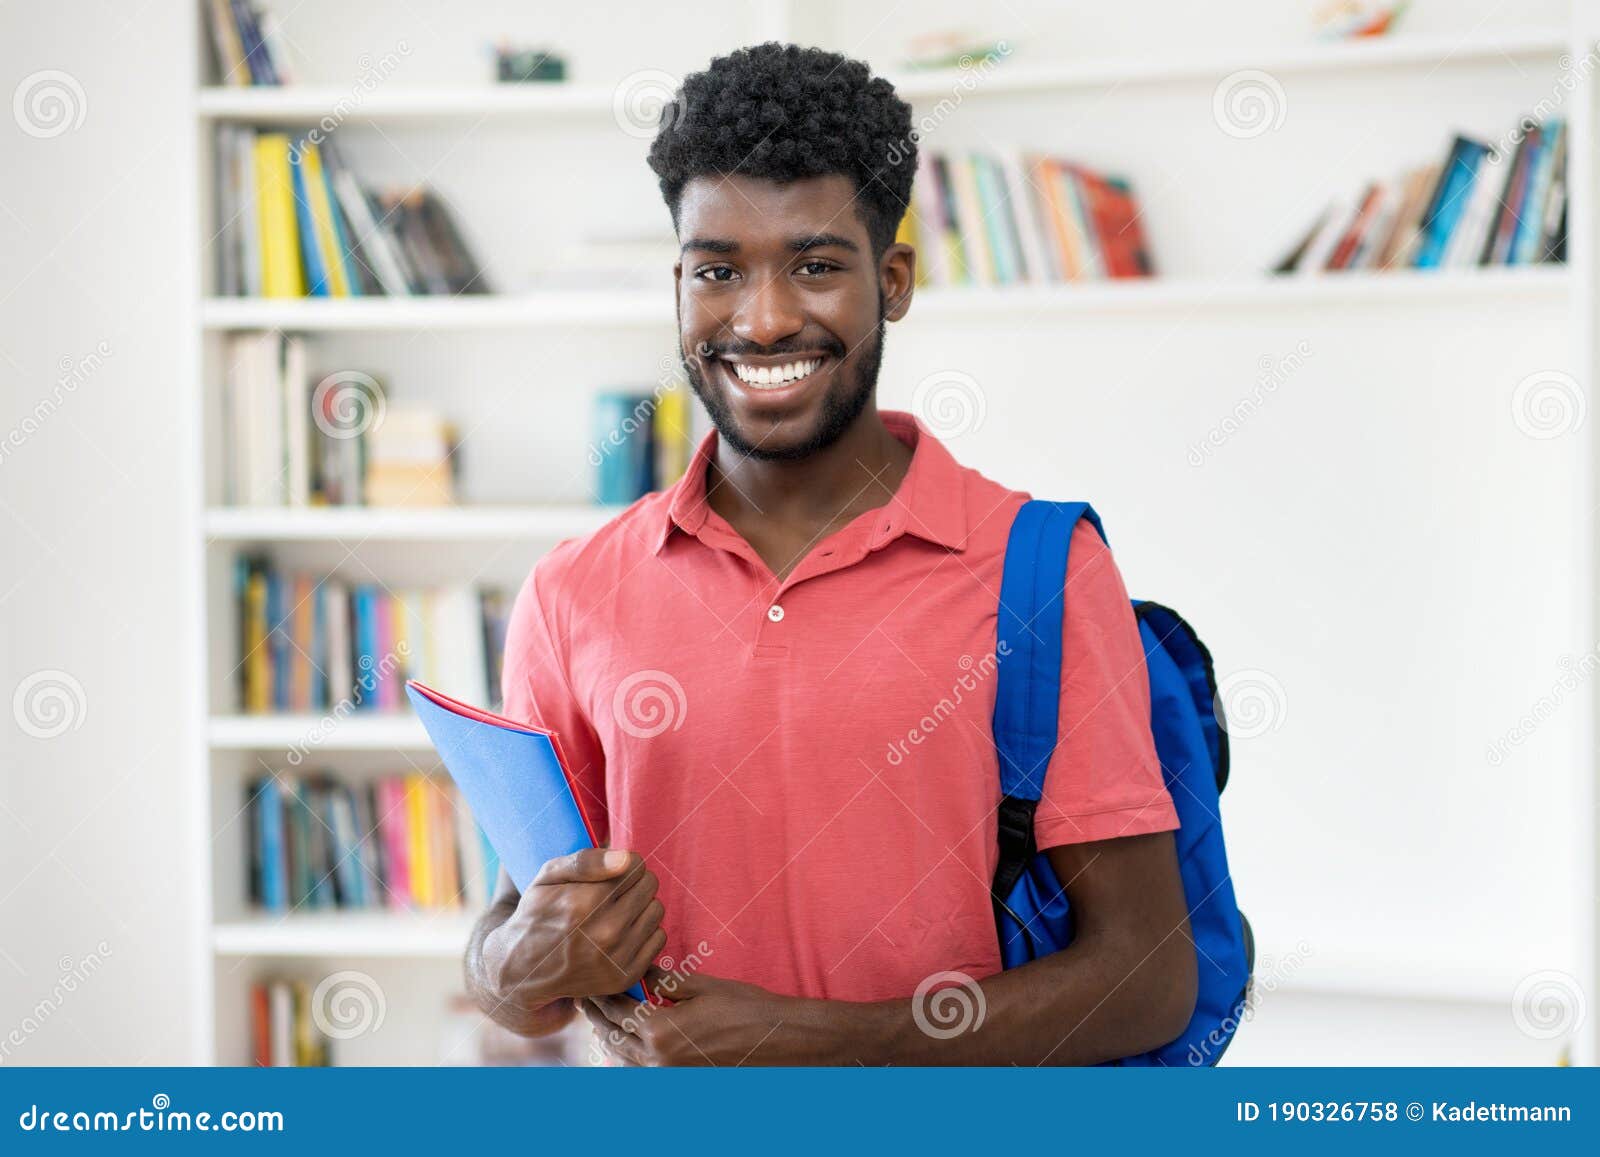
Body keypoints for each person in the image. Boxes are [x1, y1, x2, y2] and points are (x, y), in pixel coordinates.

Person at [464, 42, 1195, 1065]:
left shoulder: (1041, 568)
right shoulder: (571, 591)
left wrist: (826, 1040)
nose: (762, 319)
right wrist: (512, 965)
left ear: (891, 281)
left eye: (814, 265)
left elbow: (1148, 975)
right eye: (718, 270)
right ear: (678, 282)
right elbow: (512, 947)